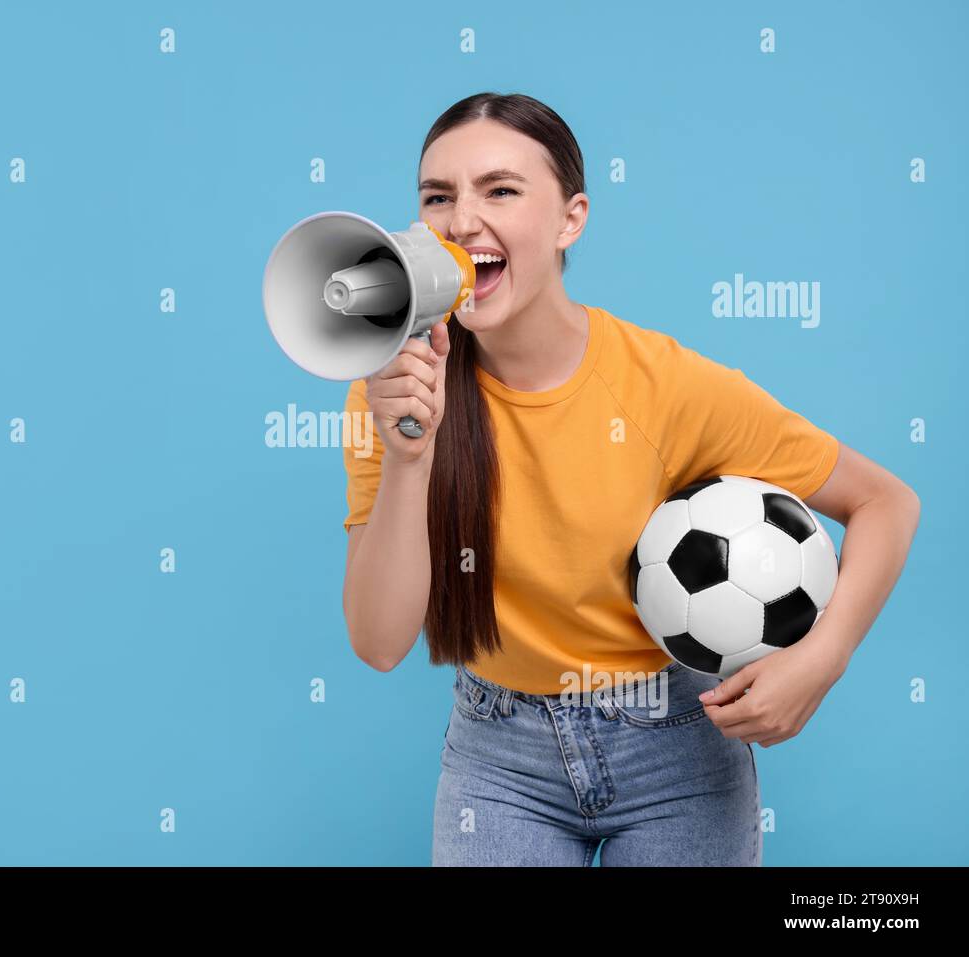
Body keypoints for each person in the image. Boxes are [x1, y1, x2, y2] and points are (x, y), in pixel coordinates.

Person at [340, 92, 921, 866]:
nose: (462, 220)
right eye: (437, 197)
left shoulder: (665, 387)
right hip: (498, 760)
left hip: (677, 750)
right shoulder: (396, 387)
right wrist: (410, 456)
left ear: (570, 219)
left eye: (500, 190)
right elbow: (380, 643)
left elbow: (886, 501)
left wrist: (822, 657)